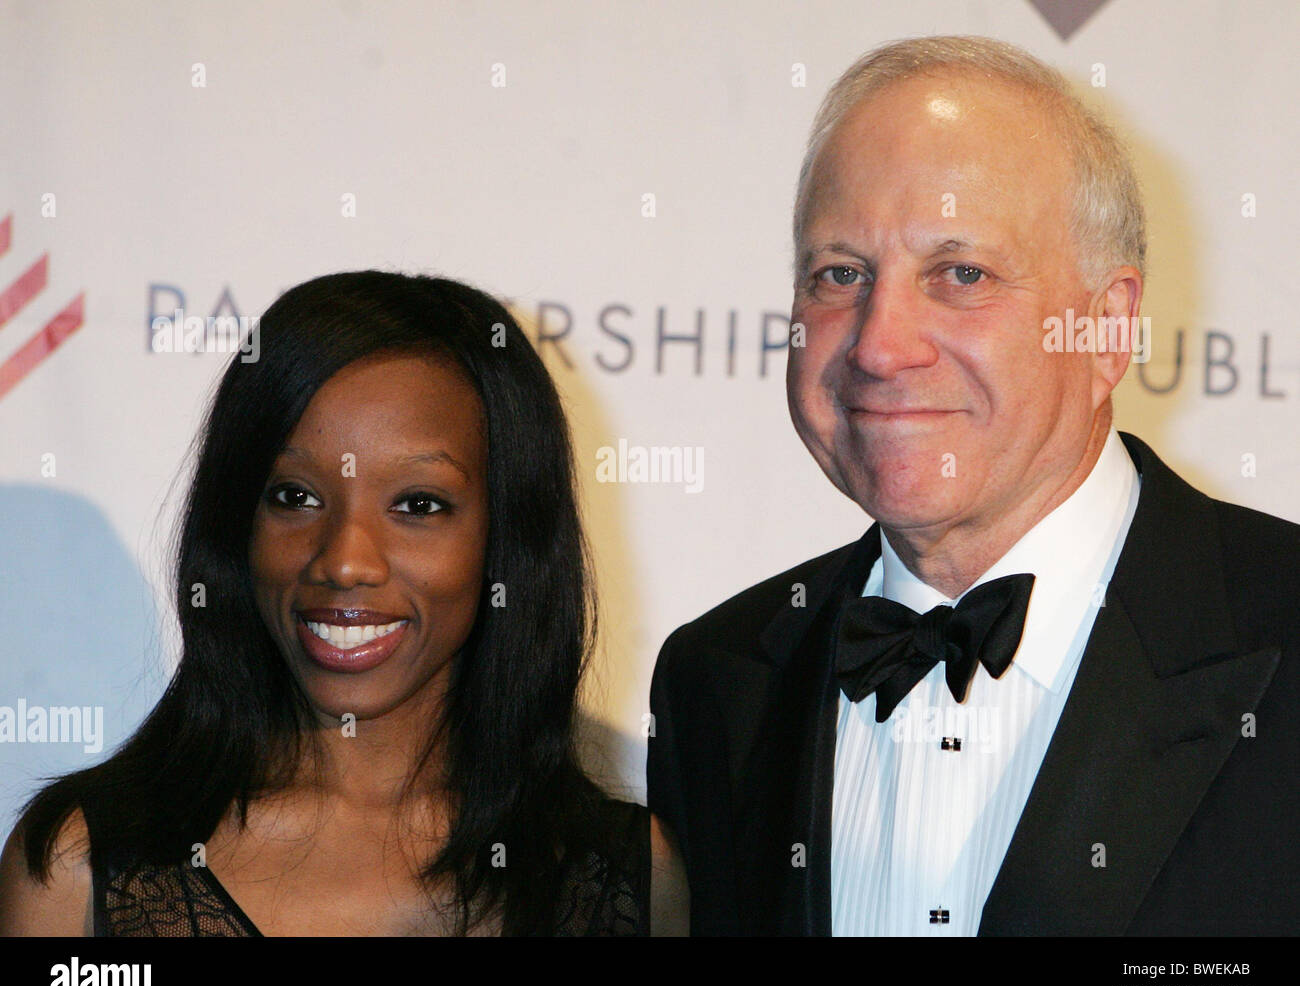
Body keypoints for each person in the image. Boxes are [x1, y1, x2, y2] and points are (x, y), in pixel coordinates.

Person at [647, 35, 1300, 936]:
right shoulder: (715, 681)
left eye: (961, 273)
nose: (879, 345)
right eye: (841, 274)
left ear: (1106, 329)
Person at [1, 270, 688, 937]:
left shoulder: (626, 881)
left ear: (507, 538)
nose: (344, 561)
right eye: (294, 496)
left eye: (419, 505)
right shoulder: (81, 868)